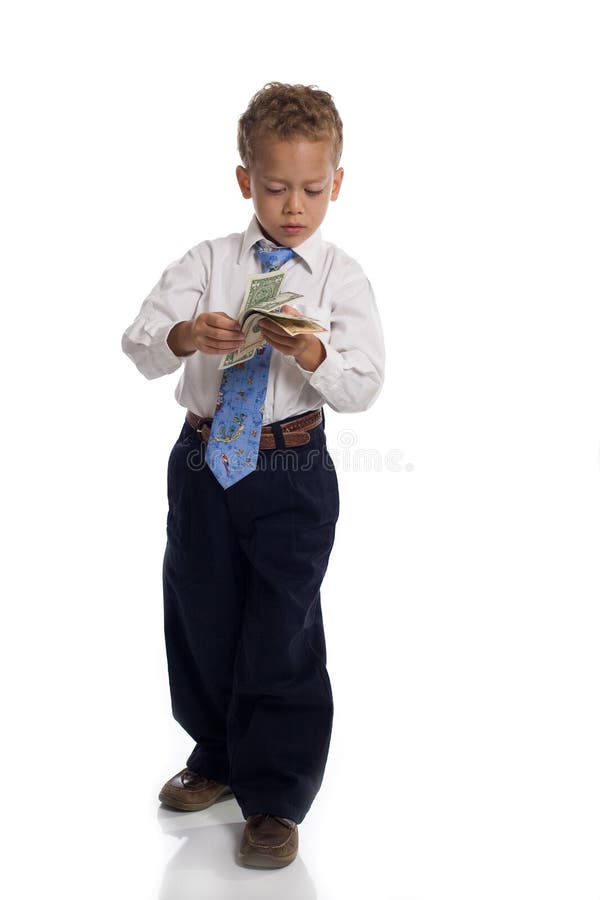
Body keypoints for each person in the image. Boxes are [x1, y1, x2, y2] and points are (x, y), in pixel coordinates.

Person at [121, 81, 385, 869]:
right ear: (246, 181)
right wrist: (181, 334)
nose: (293, 203)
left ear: (336, 182)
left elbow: (366, 383)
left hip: (291, 466)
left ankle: (273, 794)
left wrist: (311, 352)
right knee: (202, 612)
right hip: (204, 462)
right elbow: (136, 343)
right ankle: (218, 755)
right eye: (275, 187)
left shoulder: (340, 277)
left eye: (311, 188)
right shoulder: (207, 263)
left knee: (281, 627)